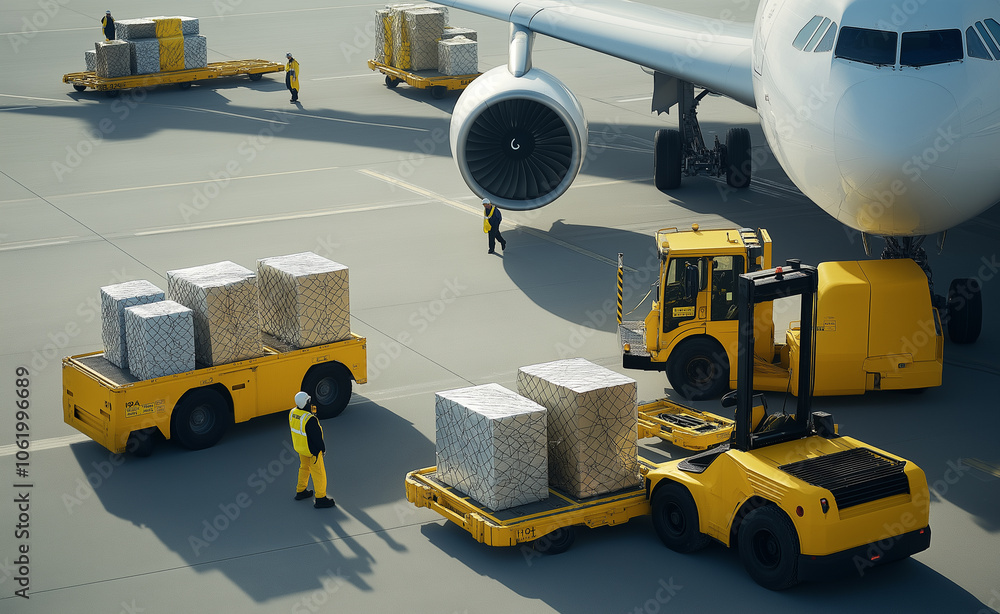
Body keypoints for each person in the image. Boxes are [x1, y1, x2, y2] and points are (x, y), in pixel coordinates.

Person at [289, 391, 335, 508]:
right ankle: (321, 498)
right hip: (312, 450)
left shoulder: (293, 412)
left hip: (301, 447)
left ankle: (301, 491)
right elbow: (317, 438)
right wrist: (322, 449)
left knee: (304, 468)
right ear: (307, 402)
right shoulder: (310, 419)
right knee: (318, 473)